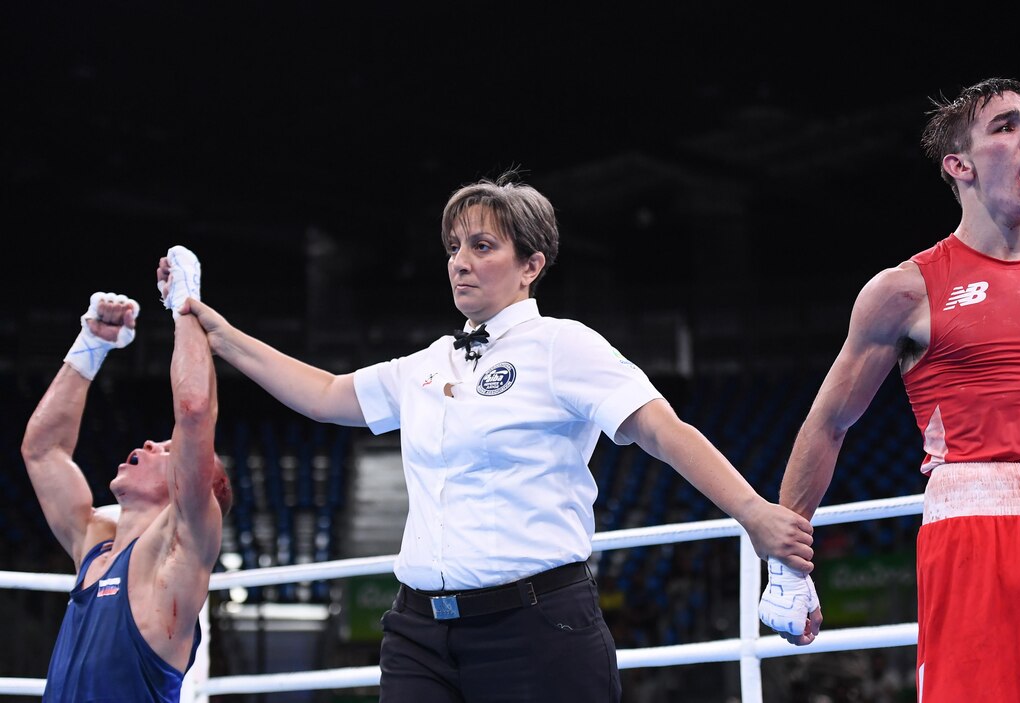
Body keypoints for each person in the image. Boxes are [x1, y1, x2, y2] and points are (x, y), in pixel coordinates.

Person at [181, 172, 815, 702]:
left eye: (482, 245)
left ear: (531, 265)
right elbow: (323, 395)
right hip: (419, 634)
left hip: (535, 630)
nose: (460, 261)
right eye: (454, 246)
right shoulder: (429, 361)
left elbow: (661, 429)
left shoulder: (563, 345)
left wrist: (754, 513)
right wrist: (216, 330)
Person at [757, 78, 1020, 702]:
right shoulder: (905, 291)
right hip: (972, 537)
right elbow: (828, 423)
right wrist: (789, 564)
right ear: (960, 166)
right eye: (1006, 126)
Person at [21, 245, 232, 702]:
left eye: (170, 449)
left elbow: (194, 410)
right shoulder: (93, 542)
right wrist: (90, 347)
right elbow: (43, 451)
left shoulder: (179, 552)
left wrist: (185, 306)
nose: (152, 444)